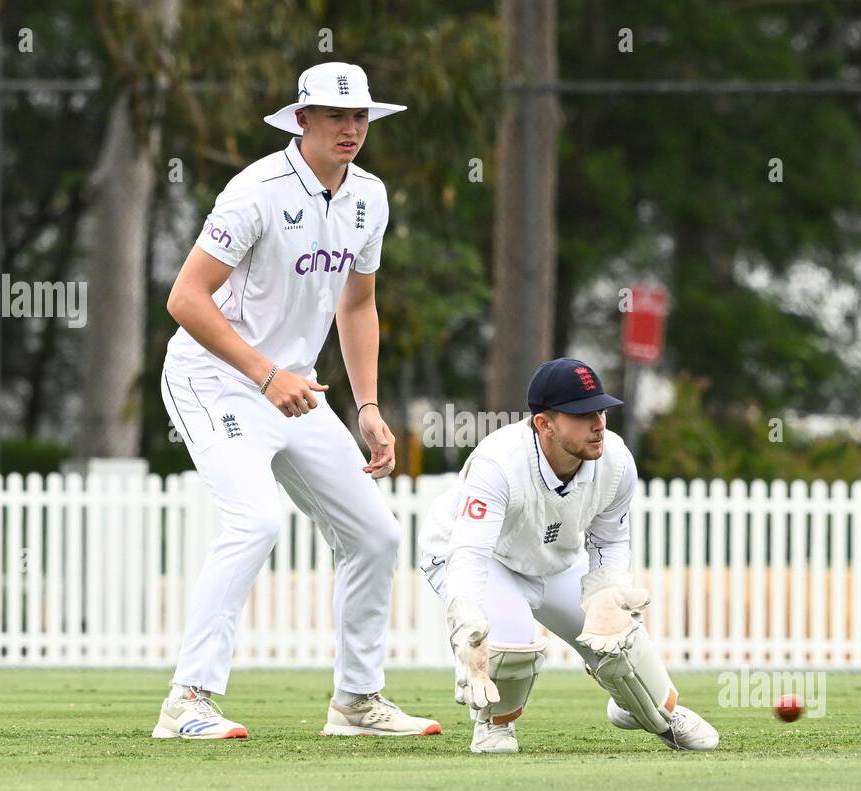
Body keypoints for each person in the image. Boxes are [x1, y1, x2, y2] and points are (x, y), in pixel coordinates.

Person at [152, 62, 440, 740]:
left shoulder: (369, 196)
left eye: (360, 116)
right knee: (256, 521)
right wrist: (264, 374)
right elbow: (184, 299)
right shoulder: (255, 190)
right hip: (214, 378)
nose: (351, 128)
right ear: (301, 118)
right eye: (336, 116)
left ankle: (357, 703)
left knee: (377, 534)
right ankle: (186, 701)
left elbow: (359, 301)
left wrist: (367, 406)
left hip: (296, 388)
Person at [418, 358, 720, 754]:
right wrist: (468, 628)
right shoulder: (498, 463)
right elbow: (471, 555)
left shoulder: (617, 461)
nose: (598, 423)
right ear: (544, 424)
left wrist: (607, 592)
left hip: (550, 557)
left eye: (600, 410)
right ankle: (495, 724)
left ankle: (651, 712)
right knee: (509, 641)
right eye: (582, 414)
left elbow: (610, 541)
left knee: (618, 640)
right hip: (473, 556)